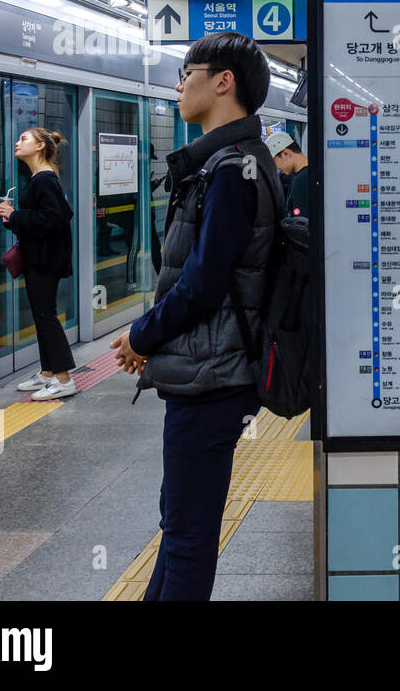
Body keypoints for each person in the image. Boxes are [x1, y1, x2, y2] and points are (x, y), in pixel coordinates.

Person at [111, 31, 282, 601]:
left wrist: (142, 334)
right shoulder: (233, 162)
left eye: (188, 72)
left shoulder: (234, 169)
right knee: (181, 527)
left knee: (187, 537)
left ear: (223, 82)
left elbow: (204, 283)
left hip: (213, 375)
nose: (180, 84)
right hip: (211, 369)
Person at [1, 128, 77, 400]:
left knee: (46, 317)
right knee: (41, 315)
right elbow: (44, 219)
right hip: (41, 258)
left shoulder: (44, 180)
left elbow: (54, 219)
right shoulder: (40, 178)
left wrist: (16, 215)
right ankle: (47, 372)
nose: (17, 142)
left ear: (40, 146)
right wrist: (15, 218)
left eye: (24, 139)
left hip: (45, 260)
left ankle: (64, 377)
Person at [266, 131, 309, 218]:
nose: (276, 168)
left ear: (286, 153)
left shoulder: (301, 180)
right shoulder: (313, 173)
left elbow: (301, 226)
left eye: (274, 162)